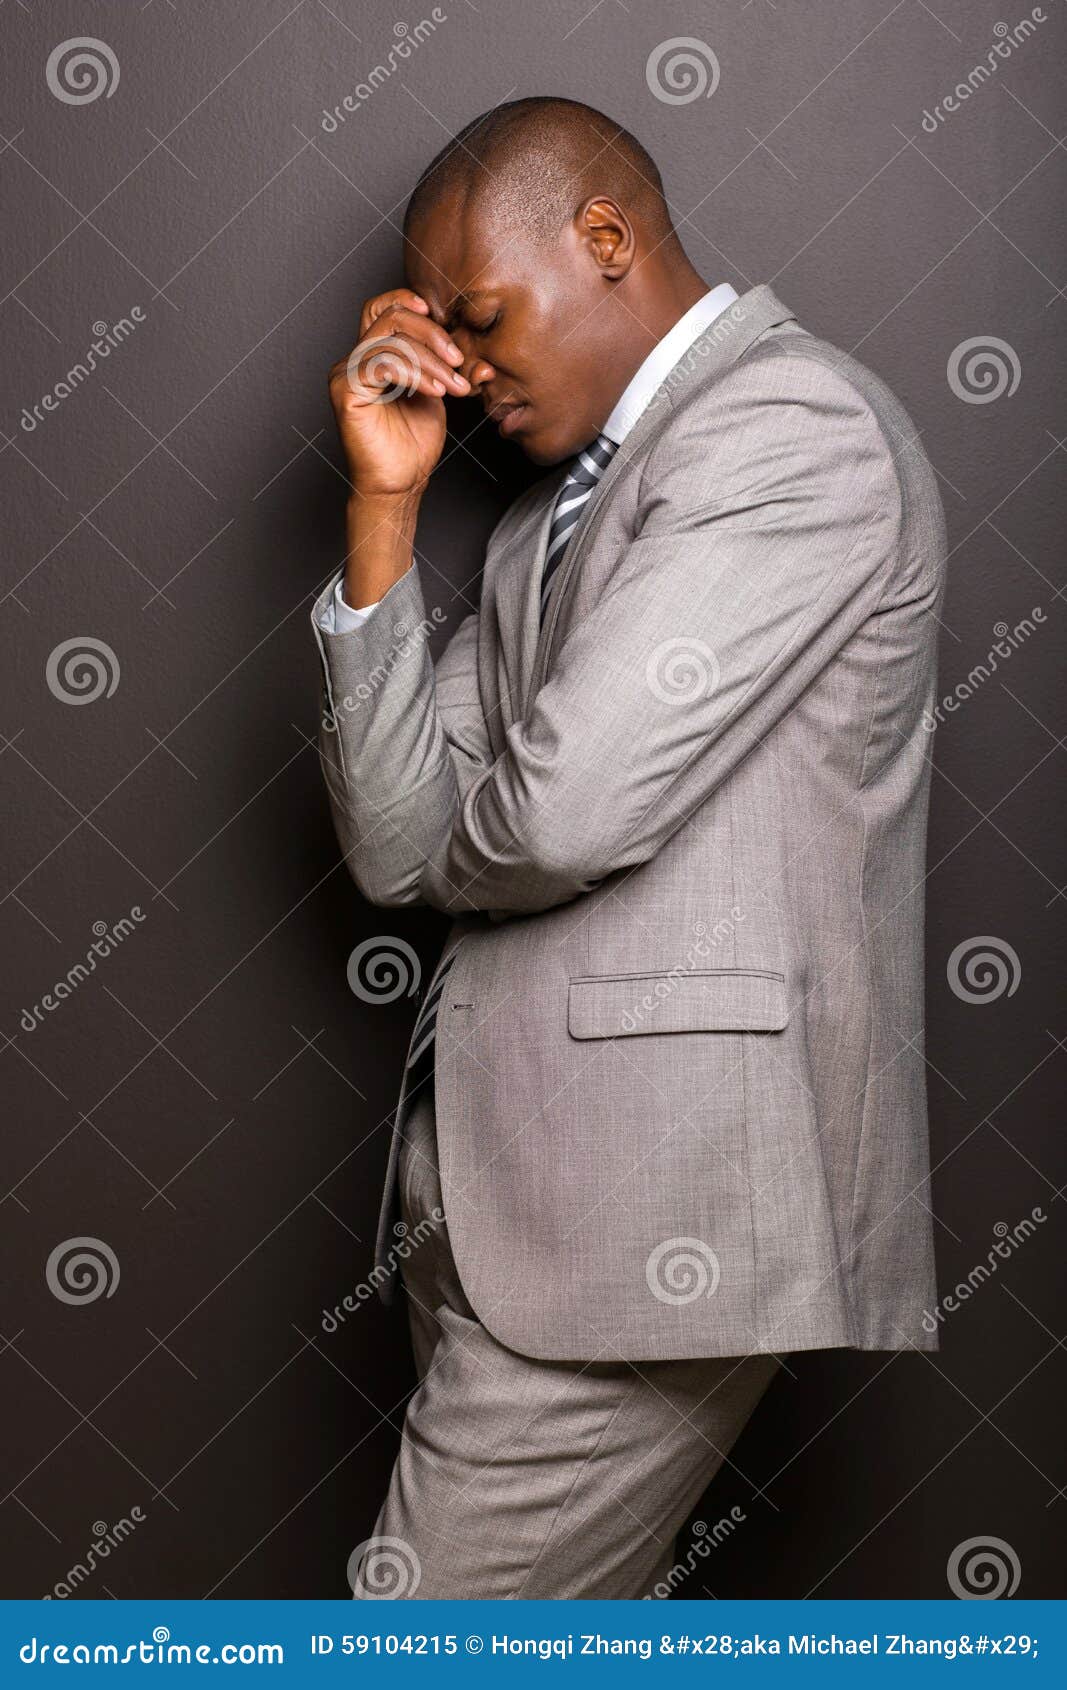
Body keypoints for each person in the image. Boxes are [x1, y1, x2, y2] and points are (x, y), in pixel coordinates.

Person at [310, 97, 946, 1600]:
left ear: (604, 241)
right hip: (507, 1200)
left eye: (480, 317)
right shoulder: (546, 522)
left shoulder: (790, 428)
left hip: (652, 1225)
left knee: (429, 1639)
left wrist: (506, 818)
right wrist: (385, 507)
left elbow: (561, 812)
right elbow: (399, 846)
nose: (457, 374)